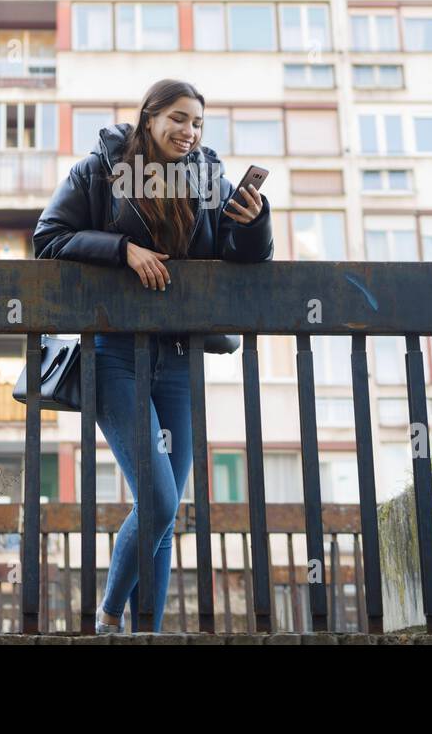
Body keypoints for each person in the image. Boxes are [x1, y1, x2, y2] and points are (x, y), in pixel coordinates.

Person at [32, 77, 273, 632]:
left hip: (181, 359)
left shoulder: (209, 176)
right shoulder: (101, 168)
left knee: (164, 518)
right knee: (160, 503)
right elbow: (49, 236)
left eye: (198, 124)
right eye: (179, 119)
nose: (190, 132)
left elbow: (240, 260)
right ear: (148, 118)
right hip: (116, 354)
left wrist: (252, 223)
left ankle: (147, 634)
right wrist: (122, 249)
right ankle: (108, 615)